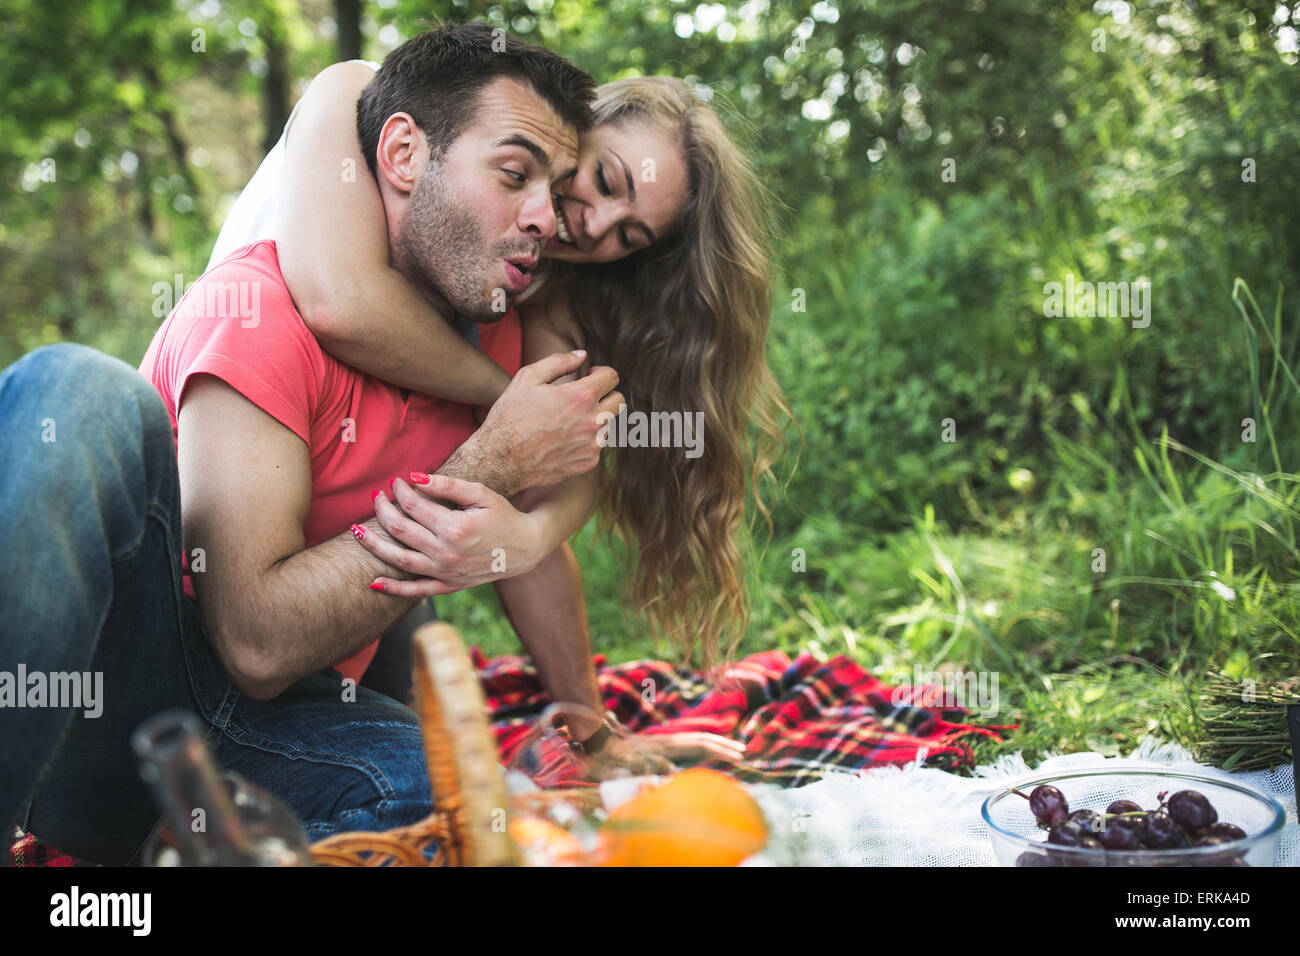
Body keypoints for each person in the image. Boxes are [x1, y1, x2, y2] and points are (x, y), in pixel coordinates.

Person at [0, 23, 622, 865]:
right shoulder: (257, 311)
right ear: (403, 155)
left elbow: (530, 535)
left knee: (478, 807)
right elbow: (253, 642)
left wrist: (591, 724)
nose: (547, 218)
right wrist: (492, 459)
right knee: (79, 390)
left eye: (554, 188)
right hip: (114, 714)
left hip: (290, 730)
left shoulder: (494, 341)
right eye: (514, 175)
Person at [226, 53, 793, 694]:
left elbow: (558, 465)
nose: (595, 226)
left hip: (360, 541)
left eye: (630, 237)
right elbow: (343, 301)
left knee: (412, 734)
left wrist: (530, 538)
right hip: (229, 502)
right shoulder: (357, 94)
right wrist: (508, 405)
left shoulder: (535, 287)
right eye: (604, 180)